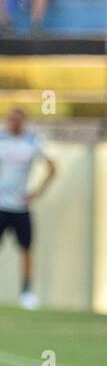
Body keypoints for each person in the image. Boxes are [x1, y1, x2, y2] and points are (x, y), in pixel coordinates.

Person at [0, 107, 56, 310]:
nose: (13, 123)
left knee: (26, 250)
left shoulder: (33, 141)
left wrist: (37, 192)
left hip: (20, 206)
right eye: (10, 120)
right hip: (1, 205)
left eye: (17, 120)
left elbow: (52, 167)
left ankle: (26, 292)